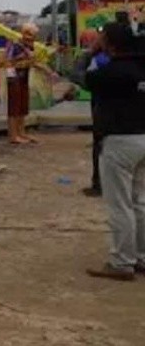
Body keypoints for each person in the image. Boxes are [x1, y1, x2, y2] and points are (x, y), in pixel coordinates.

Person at [82, 21, 145, 281]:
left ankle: (122, 262)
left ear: (109, 42)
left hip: (119, 140)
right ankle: (141, 255)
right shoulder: (141, 67)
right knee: (139, 201)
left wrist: (91, 52)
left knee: (119, 204)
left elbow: (79, 74)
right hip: (143, 137)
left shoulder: (111, 72)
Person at [73, 34, 113, 197]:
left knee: (100, 144)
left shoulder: (96, 59)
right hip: (124, 111)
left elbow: (77, 74)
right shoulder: (126, 61)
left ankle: (98, 184)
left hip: (102, 105)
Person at [5, 23, 40, 145]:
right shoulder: (15, 44)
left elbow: (33, 61)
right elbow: (8, 60)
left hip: (24, 76)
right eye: (30, 35)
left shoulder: (30, 46)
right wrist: (23, 55)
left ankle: (21, 132)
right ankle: (13, 135)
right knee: (14, 107)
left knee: (22, 106)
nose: (32, 38)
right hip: (14, 77)